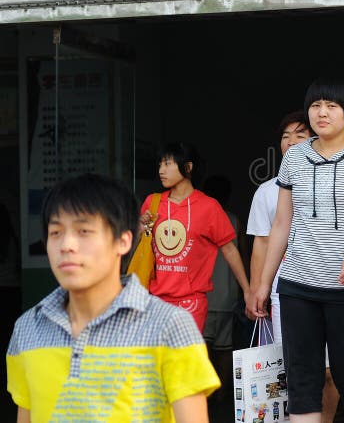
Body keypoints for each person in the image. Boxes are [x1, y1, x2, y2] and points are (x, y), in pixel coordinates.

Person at [6, 173, 220, 422]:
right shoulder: (27, 329)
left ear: (123, 241)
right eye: (56, 232)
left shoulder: (170, 325)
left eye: (83, 231)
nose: (67, 245)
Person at [251, 78, 344, 423]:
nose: (321, 112)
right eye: (315, 106)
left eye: (331, 106)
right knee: (301, 378)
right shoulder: (295, 157)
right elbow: (281, 224)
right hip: (298, 284)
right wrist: (264, 283)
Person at [140, 142, 252, 332]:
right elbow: (139, 247)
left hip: (191, 302)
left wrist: (247, 291)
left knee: (184, 359)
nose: (161, 170)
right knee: (159, 359)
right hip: (154, 300)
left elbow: (230, 249)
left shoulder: (209, 207)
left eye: (168, 164)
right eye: (160, 164)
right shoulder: (153, 202)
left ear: (188, 167)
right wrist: (141, 227)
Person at [203, 175, 244, 414]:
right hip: (228, 295)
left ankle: (205, 394)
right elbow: (244, 254)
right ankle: (222, 394)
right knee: (225, 348)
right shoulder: (233, 220)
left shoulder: (201, 217)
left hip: (206, 295)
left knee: (203, 348)